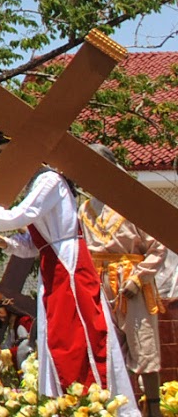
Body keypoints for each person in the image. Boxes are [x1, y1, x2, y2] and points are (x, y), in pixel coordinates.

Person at [0, 168, 138, 417]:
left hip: (67, 265)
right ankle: (65, 403)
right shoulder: (39, 184)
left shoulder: (49, 179)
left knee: (76, 335)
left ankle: (92, 401)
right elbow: (34, 243)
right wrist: (4, 242)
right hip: (53, 263)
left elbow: (21, 215)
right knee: (56, 336)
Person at [80, 145, 175, 417]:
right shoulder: (84, 208)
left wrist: (138, 277)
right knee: (108, 348)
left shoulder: (131, 203)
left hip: (131, 282)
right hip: (98, 283)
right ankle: (118, 407)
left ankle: (153, 410)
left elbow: (158, 246)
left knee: (143, 347)